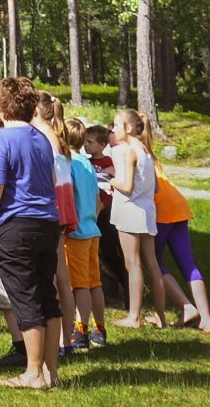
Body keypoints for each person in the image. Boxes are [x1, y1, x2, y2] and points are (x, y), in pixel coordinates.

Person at [0, 76, 64, 389]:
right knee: (46, 295)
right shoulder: (41, 137)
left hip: (15, 225)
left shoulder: (1, 139)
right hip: (46, 223)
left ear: (1, 108)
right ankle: (51, 371)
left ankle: (33, 373)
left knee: (25, 299)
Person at [107, 108, 166, 329]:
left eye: (116, 125)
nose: (113, 129)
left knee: (133, 264)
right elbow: (156, 186)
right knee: (153, 265)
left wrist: (110, 180)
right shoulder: (146, 151)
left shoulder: (127, 151)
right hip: (147, 211)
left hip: (130, 211)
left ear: (128, 128)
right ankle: (160, 317)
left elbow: (127, 187)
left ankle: (134, 316)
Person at [33, 92, 79, 353]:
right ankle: (68, 337)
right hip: (63, 206)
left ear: (36, 112)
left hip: (53, 207)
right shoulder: (59, 135)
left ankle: (61, 337)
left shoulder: (44, 137)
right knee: (62, 276)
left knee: (54, 277)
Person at [151, 157, 210, 332]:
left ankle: (187, 307)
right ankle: (206, 320)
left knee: (153, 262)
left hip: (162, 211)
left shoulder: (128, 151)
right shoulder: (149, 153)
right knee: (188, 264)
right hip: (178, 206)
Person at [64, 117, 107, 350]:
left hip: (77, 233)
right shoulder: (88, 163)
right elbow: (98, 199)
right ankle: (99, 329)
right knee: (94, 283)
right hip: (92, 229)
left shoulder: (69, 164)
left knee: (79, 285)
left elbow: (68, 199)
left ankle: (80, 330)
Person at [84, 123, 129, 291]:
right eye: (84, 142)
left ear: (102, 145)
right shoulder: (85, 162)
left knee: (110, 251)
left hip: (106, 213)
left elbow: (118, 184)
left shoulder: (108, 162)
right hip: (92, 211)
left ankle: (126, 282)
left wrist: (114, 173)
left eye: (90, 142)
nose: (86, 145)